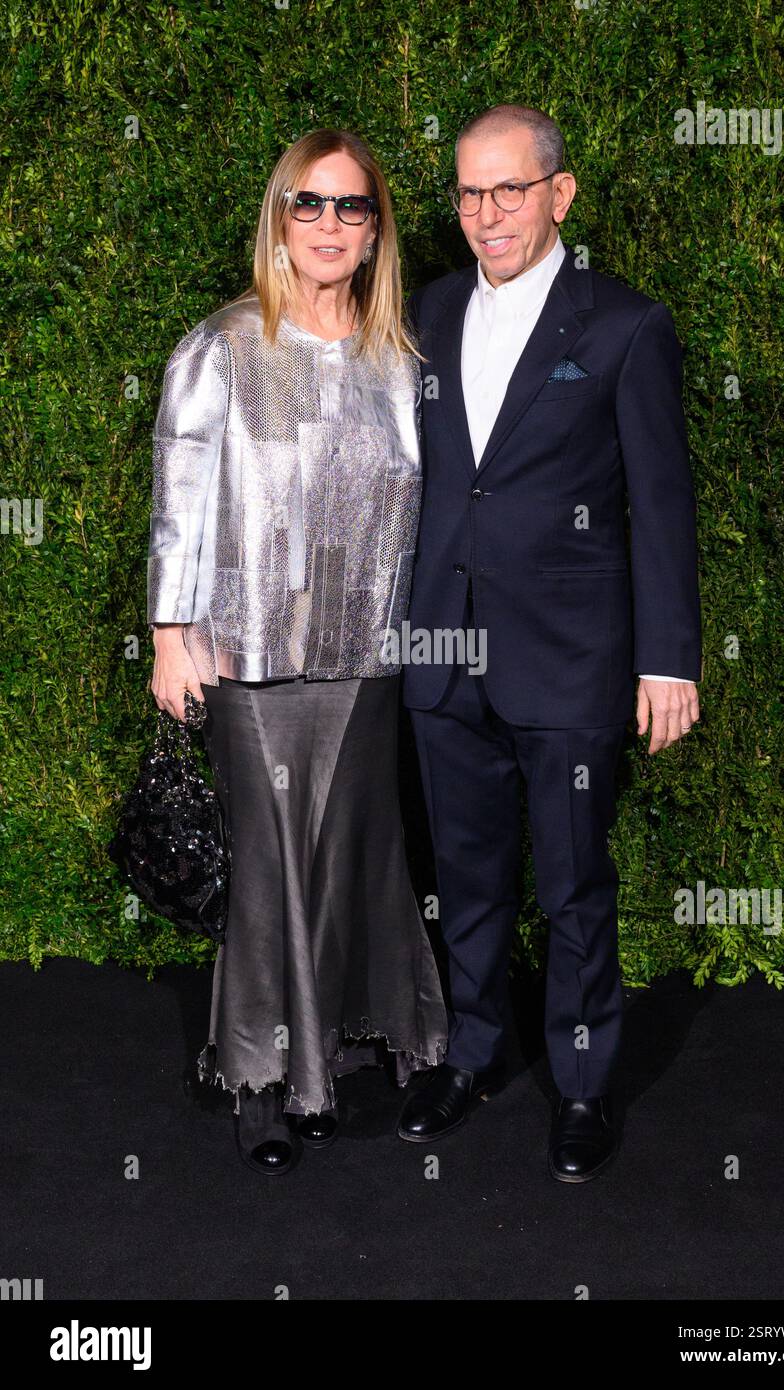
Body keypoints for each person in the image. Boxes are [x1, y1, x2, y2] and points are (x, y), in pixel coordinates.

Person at [397, 104, 702, 1182]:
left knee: (573, 884)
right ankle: (471, 1053)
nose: (486, 214)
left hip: (571, 658)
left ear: (559, 194)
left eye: (509, 190)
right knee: (465, 876)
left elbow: (661, 505)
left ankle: (580, 1083)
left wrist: (667, 658)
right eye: (470, 193)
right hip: (444, 647)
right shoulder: (427, 311)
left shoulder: (623, 324)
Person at [146, 129, 448, 1176]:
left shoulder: (400, 358)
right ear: (278, 218)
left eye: (349, 207)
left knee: (363, 853)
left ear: (375, 231)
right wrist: (169, 633)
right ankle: (266, 1080)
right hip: (250, 655)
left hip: (368, 655)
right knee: (272, 867)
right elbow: (182, 501)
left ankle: (365, 1042)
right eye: (307, 204)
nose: (328, 225)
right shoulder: (221, 346)